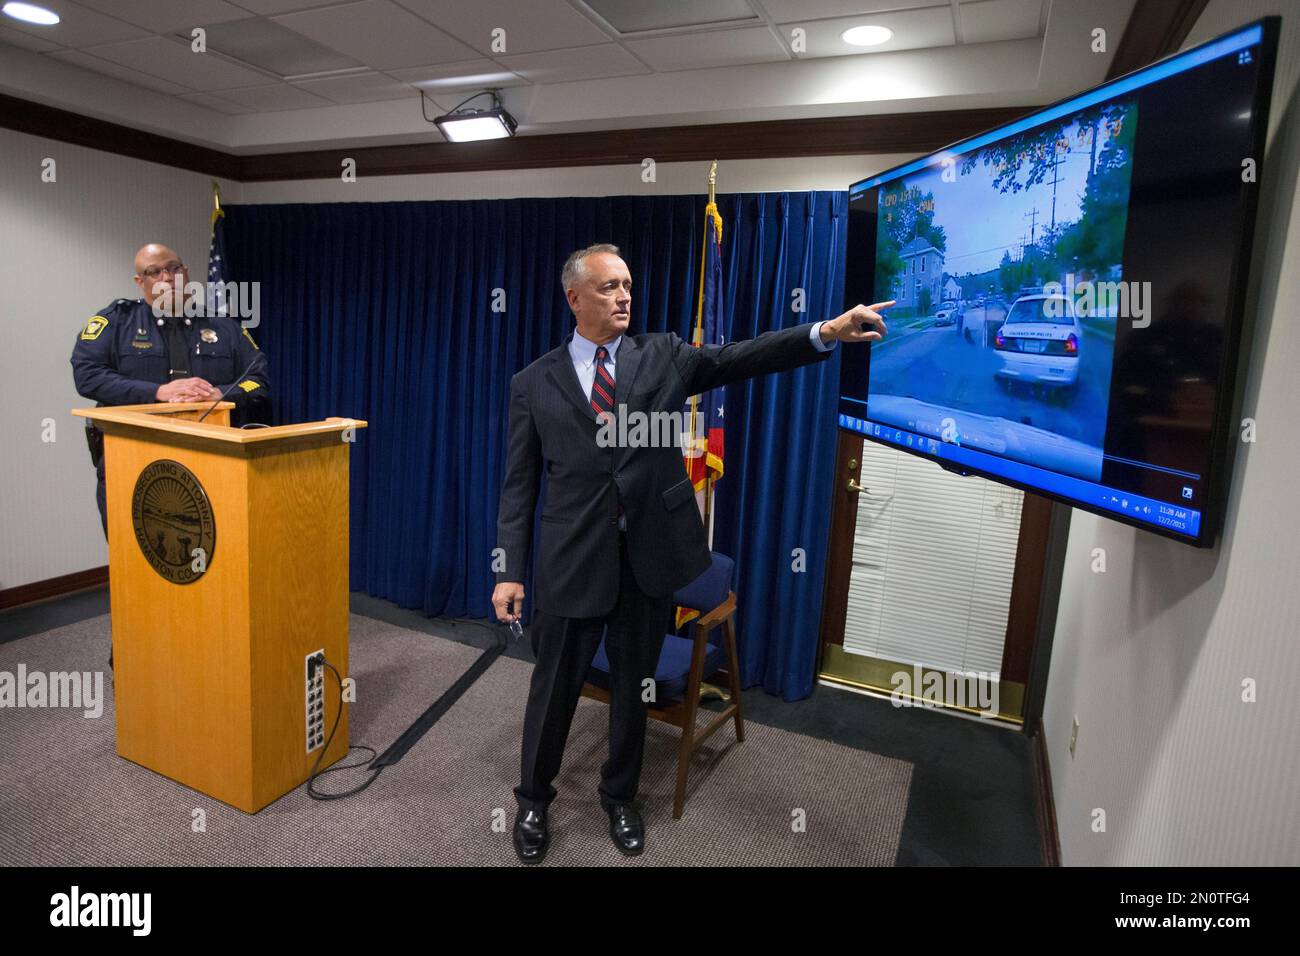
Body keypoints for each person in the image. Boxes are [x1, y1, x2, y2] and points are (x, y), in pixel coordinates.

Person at [491, 243, 890, 863]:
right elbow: (519, 485)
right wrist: (509, 570)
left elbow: (740, 358)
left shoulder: (664, 356)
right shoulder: (532, 384)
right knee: (552, 690)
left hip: (648, 561)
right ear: (574, 298)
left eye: (627, 284)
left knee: (633, 688)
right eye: (608, 288)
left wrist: (824, 332)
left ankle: (620, 797)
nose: (624, 296)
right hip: (572, 562)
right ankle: (533, 800)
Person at [71, 243, 270, 537]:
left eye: (174, 268)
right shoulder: (116, 322)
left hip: (212, 462)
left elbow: (258, 378)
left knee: (216, 544)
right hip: (131, 462)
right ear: (140, 281)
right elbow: (87, 376)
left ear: (185, 272)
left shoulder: (223, 326)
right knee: (134, 546)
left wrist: (221, 394)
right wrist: (158, 391)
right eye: (154, 272)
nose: (167, 277)